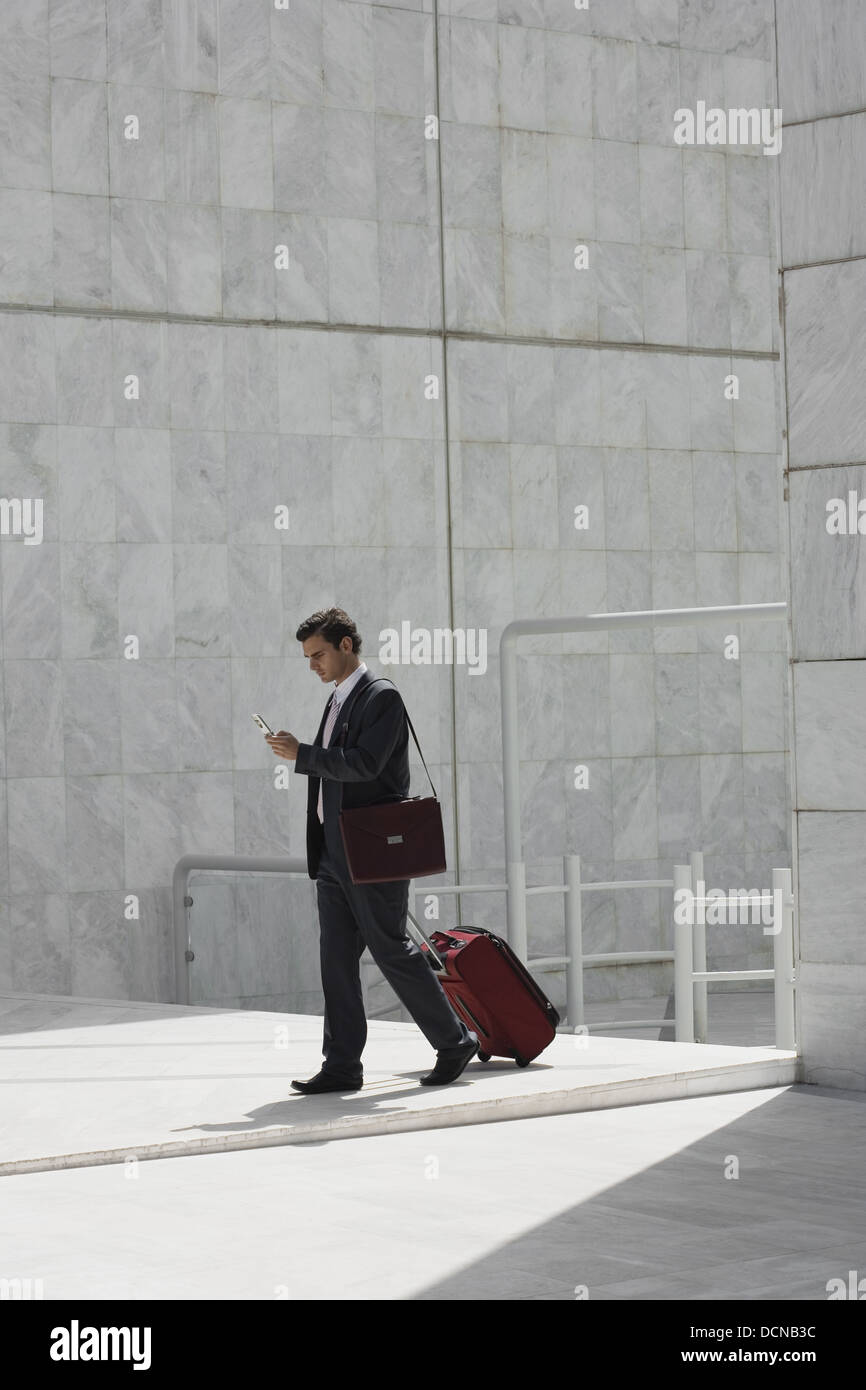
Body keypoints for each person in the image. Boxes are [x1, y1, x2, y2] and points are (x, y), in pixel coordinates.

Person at [264, 607, 478, 1093]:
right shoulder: (338, 699)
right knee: (335, 959)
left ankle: (453, 1040)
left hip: (373, 852)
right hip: (335, 855)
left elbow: (364, 765)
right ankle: (342, 1065)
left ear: (346, 646)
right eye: (306, 657)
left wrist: (303, 755)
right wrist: (304, 757)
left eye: (318, 654)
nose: (313, 664)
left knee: (390, 948)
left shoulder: (381, 697)